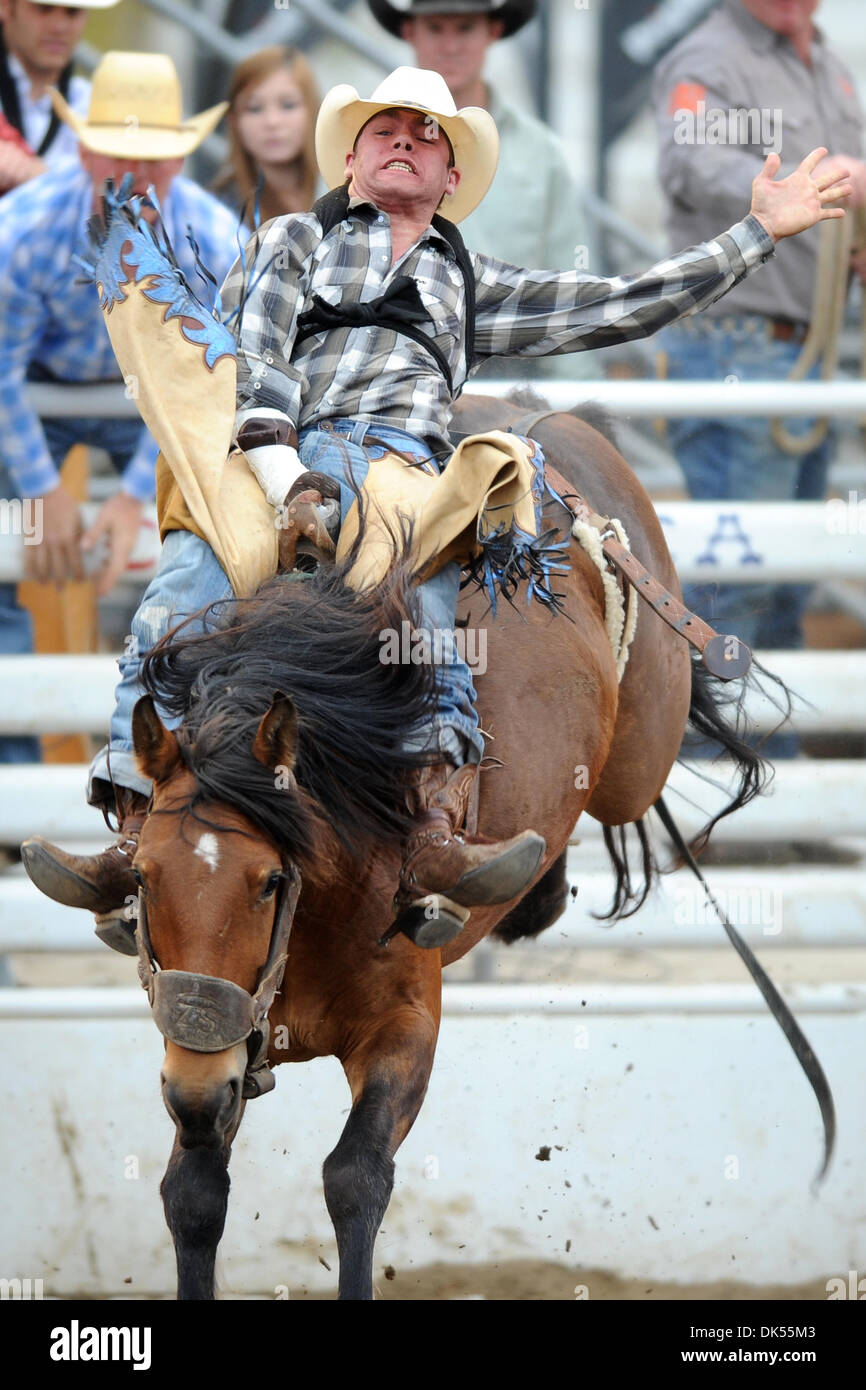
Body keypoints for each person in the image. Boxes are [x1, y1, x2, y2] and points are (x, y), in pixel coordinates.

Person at [21, 65, 851, 942]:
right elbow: (254, 361)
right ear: (352, 159)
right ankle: (134, 832)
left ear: (450, 177)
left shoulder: (469, 281)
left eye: (426, 137)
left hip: (402, 464)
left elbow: (619, 306)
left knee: (421, 614)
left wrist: (756, 233)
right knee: (181, 587)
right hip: (274, 453)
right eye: (385, 131)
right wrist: (286, 477)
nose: (405, 143)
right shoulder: (290, 239)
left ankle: (432, 830)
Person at [0, 51, 238, 762]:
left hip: (152, 400)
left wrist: (137, 493)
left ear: (179, 161)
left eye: (153, 157)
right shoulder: (20, 229)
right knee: (15, 549)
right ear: (82, 152)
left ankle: (179, 756)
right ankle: (15, 769)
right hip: (39, 392)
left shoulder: (214, 240)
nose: (135, 173)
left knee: (205, 533)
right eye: (117, 154)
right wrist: (43, 490)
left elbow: (204, 382)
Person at [653, 0, 866, 687]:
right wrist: (812, 185)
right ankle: (722, 734)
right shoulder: (709, 59)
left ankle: (761, 731)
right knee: (742, 582)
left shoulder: (826, 66)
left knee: (785, 575)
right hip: (739, 346)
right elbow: (691, 164)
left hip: (792, 352)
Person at [0, 0, 119, 194]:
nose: (59, 27)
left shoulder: (99, 109)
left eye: (73, 12)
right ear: (5, 6)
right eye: (43, 9)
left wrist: (36, 175)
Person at [212, 44, 320, 225]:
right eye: (254, 108)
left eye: (288, 105)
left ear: (314, 110)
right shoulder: (219, 210)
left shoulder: (346, 188)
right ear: (234, 119)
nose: (272, 121)